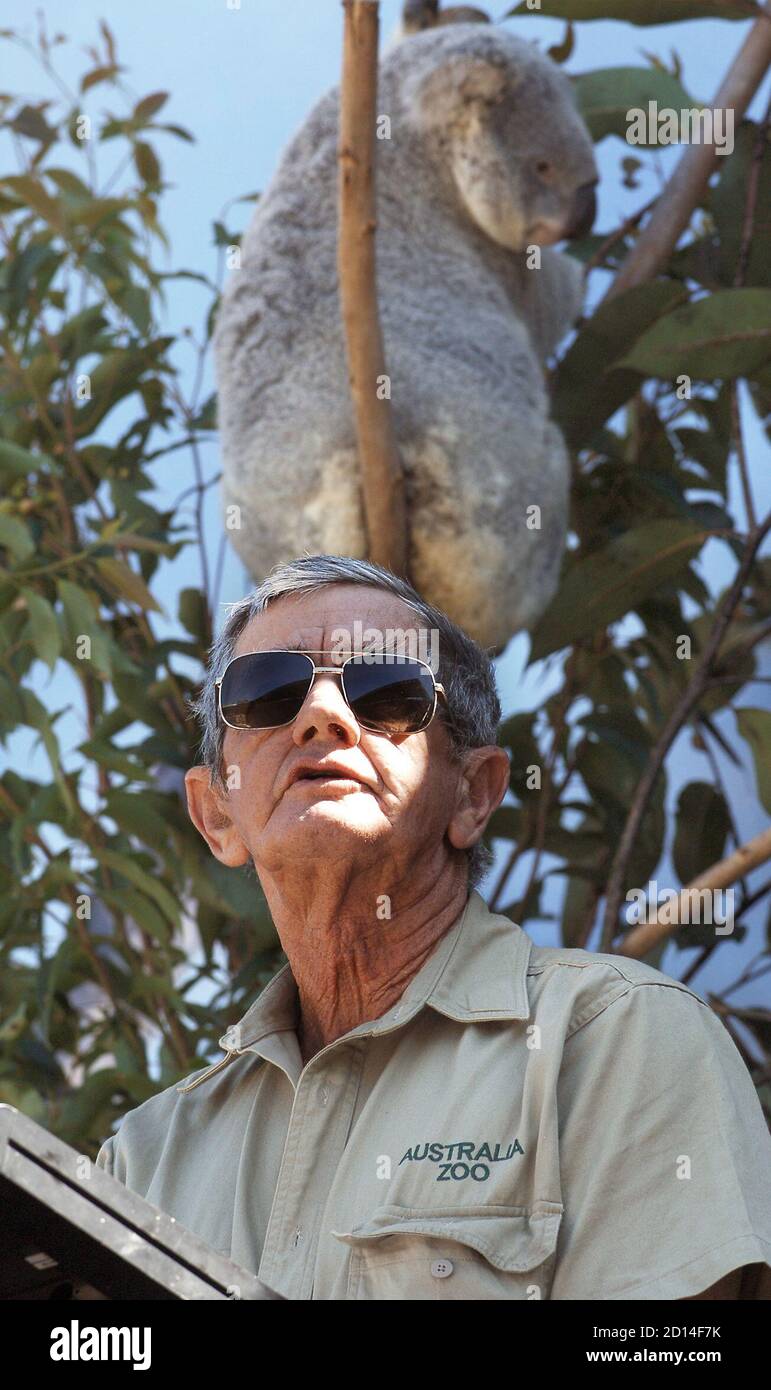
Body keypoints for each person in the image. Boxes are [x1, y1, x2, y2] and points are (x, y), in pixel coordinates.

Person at [96, 554, 771, 1300]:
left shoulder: (616, 1042)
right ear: (214, 815)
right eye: (267, 692)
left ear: (473, 795)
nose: (322, 716)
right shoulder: (145, 1161)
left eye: (387, 691)